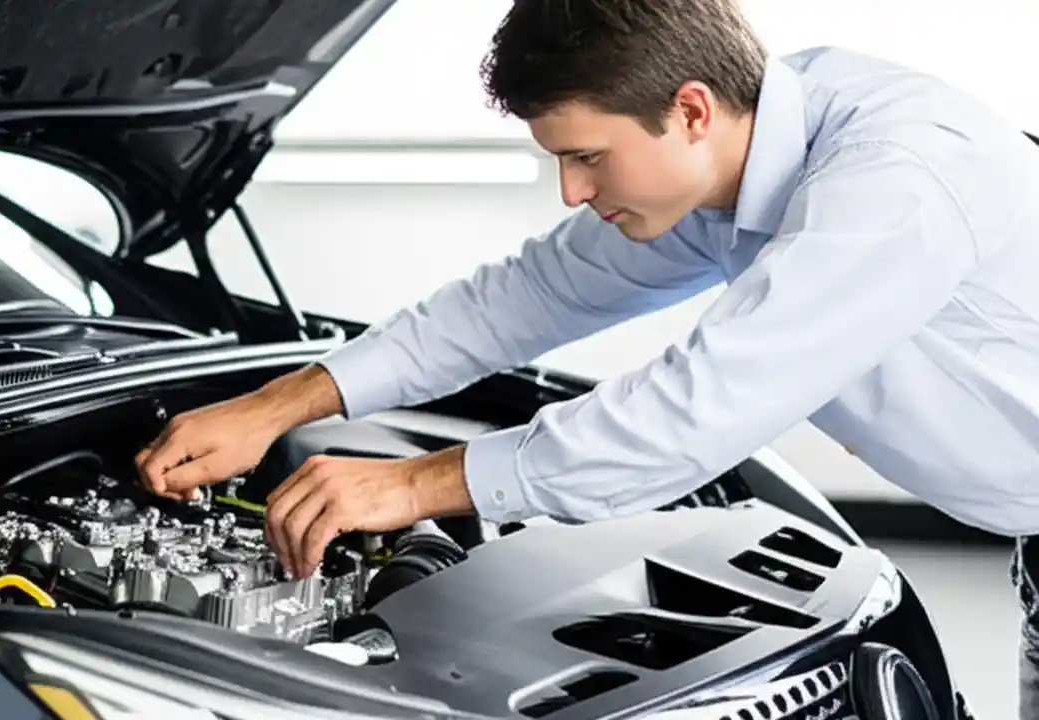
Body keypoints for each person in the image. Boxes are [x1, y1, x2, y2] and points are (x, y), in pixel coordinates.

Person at [136, 0, 1039, 710]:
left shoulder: (896, 177)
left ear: (690, 110)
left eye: (587, 158)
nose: (573, 191)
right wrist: (277, 406)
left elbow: (695, 410)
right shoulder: (732, 157)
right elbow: (524, 297)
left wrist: (407, 485)